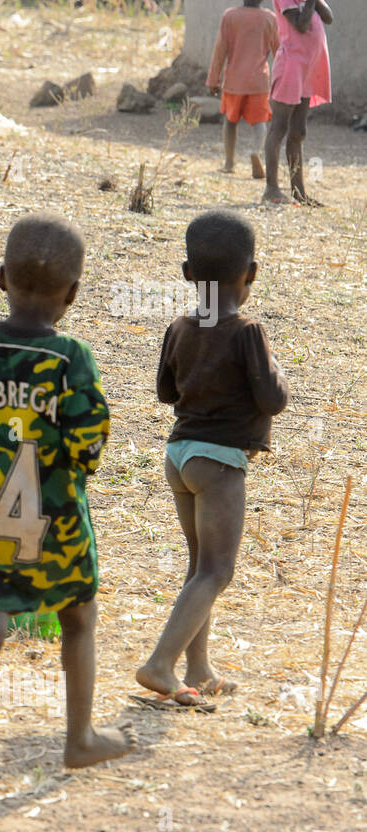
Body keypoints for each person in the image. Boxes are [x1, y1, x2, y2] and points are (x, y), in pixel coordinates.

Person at [0, 214, 135, 791]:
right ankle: (80, 739)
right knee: (78, 619)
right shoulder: (72, 360)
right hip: (59, 522)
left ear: (0, 278)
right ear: (72, 294)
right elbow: (88, 445)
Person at [136, 211, 288, 705]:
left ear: (186, 273)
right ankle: (160, 663)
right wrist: (278, 371)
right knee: (218, 571)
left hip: (179, 456)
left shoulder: (180, 326)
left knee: (200, 565)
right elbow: (273, 400)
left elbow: (164, 391)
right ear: (252, 274)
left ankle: (198, 666)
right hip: (219, 463)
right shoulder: (247, 331)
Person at [263, 0, 333, 204]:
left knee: (298, 132)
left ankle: (298, 192)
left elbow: (329, 17)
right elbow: (301, 25)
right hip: (291, 66)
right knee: (279, 128)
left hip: (308, 69)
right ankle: (271, 188)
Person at [206, 0, 279, 179]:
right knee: (260, 122)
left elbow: (220, 49)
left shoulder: (230, 16)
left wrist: (213, 79)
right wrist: (281, 81)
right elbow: (279, 51)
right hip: (259, 81)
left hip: (234, 81)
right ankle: (256, 151)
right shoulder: (270, 18)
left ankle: (229, 163)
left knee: (230, 121)